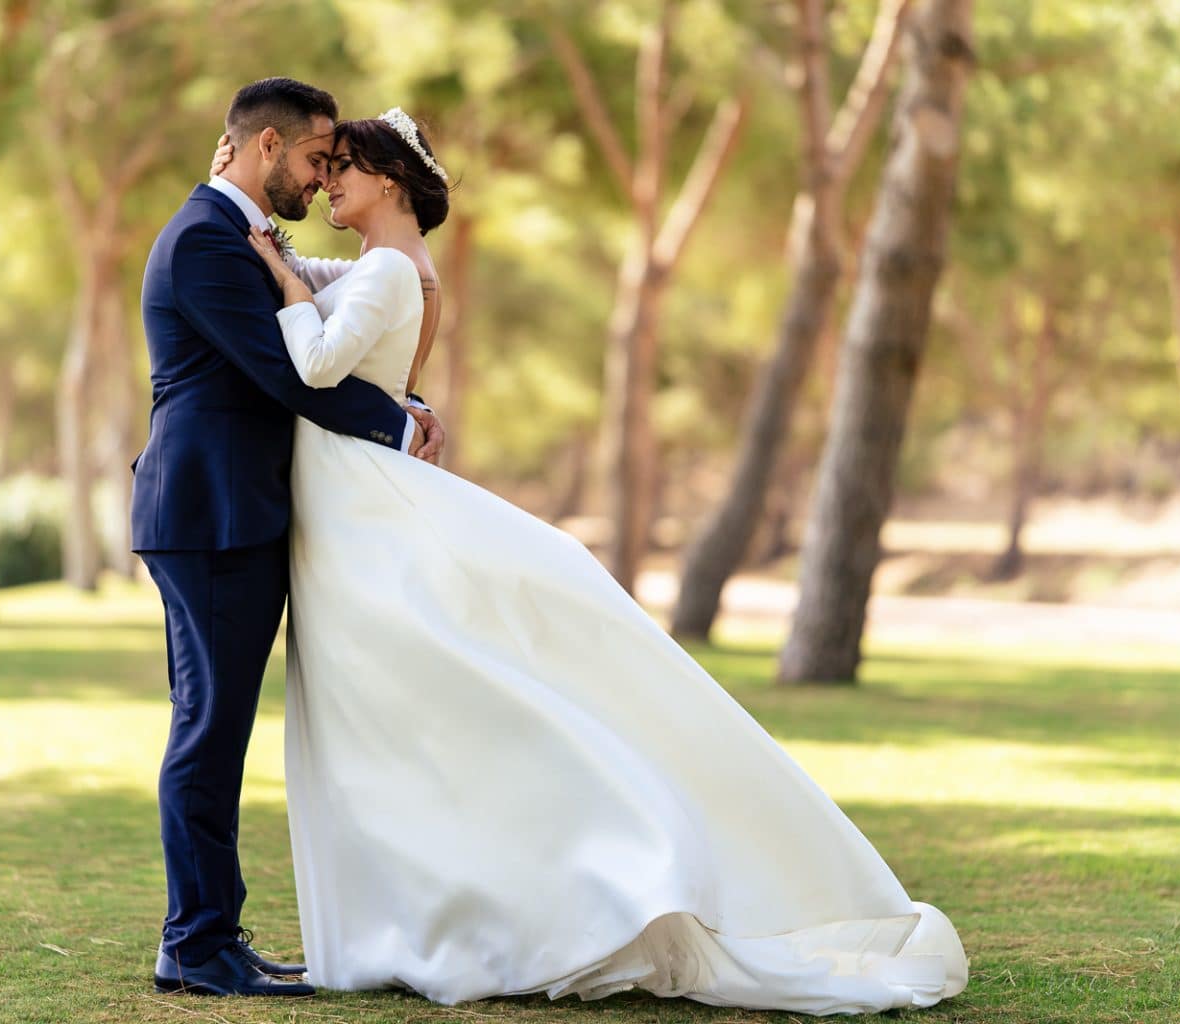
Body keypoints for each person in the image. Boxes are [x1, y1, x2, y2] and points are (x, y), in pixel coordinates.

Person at [217, 106, 971, 1015]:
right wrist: (262, 236)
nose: (328, 181)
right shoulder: (394, 266)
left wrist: (289, 292)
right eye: (324, 165)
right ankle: (422, 912)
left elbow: (318, 365)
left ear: (388, 181)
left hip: (360, 512)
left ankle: (486, 908)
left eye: (343, 168)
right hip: (346, 507)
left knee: (402, 716)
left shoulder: (385, 267)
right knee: (386, 721)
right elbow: (327, 289)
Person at [130, 77, 444, 999]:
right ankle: (195, 944)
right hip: (211, 514)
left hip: (233, 510)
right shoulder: (204, 241)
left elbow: (357, 309)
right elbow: (287, 375)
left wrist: (405, 389)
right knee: (209, 727)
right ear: (265, 147)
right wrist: (396, 424)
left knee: (218, 725)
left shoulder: (238, 238)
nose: (319, 180)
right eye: (314, 160)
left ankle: (213, 932)